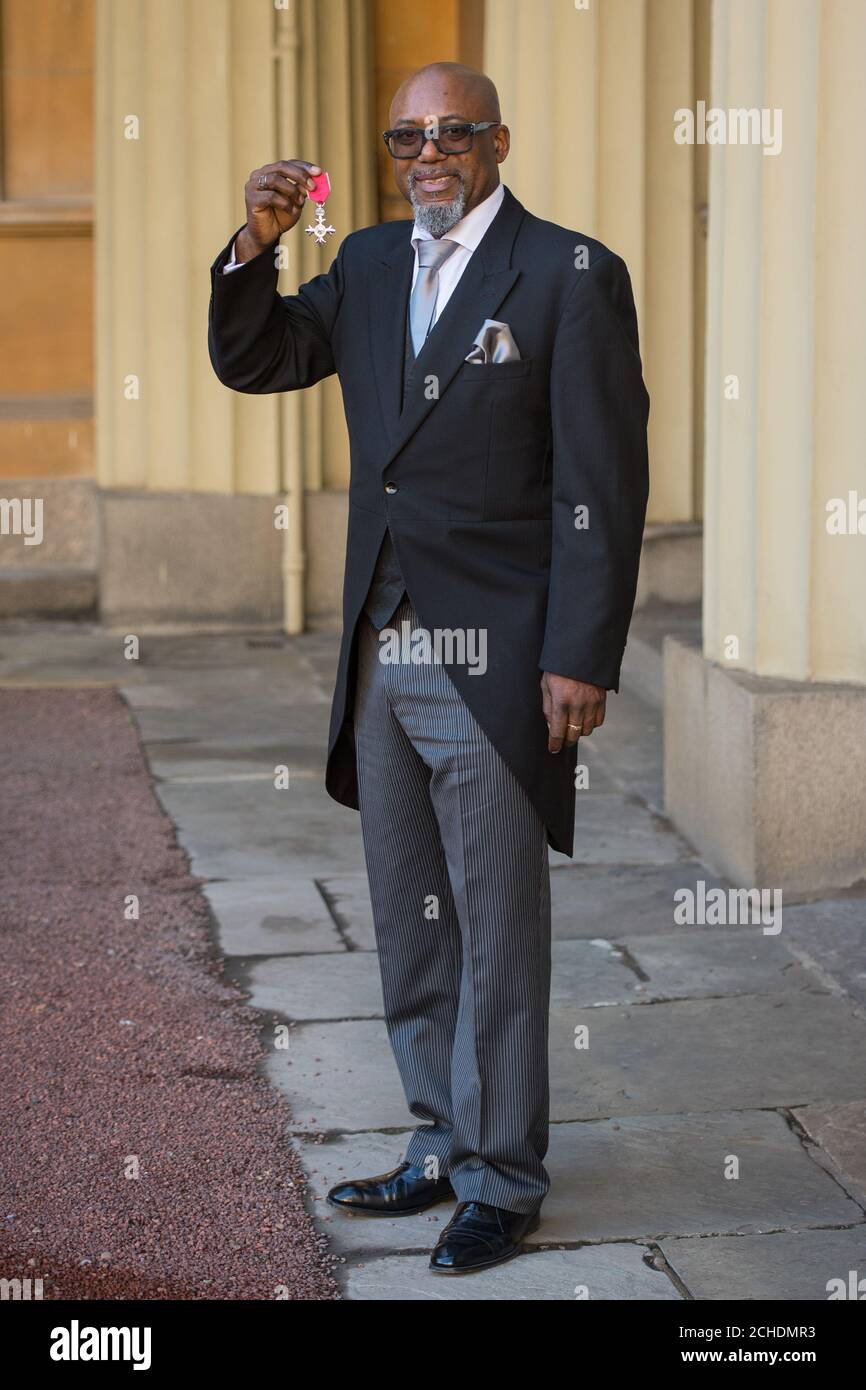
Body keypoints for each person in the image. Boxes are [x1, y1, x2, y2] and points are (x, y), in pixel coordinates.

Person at [209, 61, 649, 1276]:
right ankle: (436, 1141)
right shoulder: (357, 267)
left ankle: (501, 1181)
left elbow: (600, 485)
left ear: (497, 139)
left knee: (499, 929)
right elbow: (258, 362)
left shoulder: (569, 274)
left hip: (502, 654)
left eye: (452, 130)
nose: (429, 152)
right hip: (379, 642)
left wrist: (577, 654)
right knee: (412, 918)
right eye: (407, 136)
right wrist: (254, 246)